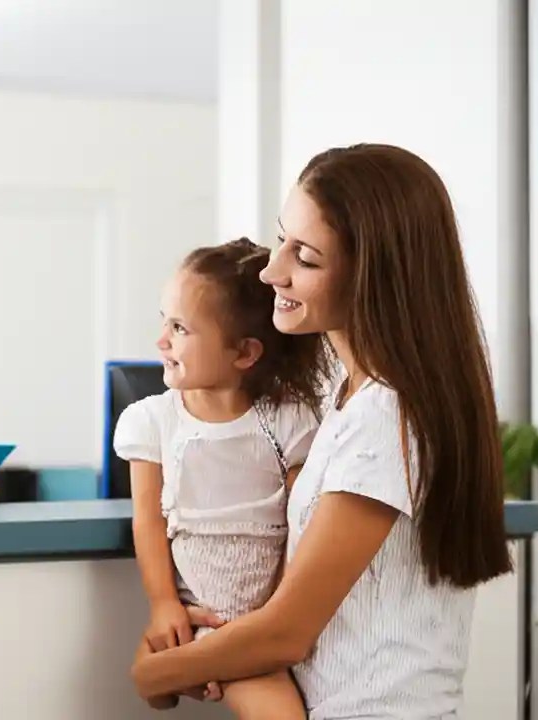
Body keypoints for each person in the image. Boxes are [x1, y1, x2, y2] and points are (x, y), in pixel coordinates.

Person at [130, 144, 512, 717]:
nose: (270, 270)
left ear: (373, 277)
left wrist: (151, 672)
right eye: (282, 239)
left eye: (304, 257)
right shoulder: (347, 402)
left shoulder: (386, 417)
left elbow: (287, 632)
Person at [115, 238, 330, 718]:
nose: (161, 340)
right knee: (156, 689)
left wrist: (266, 622)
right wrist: (163, 605)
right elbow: (147, 522)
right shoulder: (151, 422)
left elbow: (305, 525)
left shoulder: (289, 423)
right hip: (198, 617)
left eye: (180, 328)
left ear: (244, 353)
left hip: (262, 627)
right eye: (163, 321)